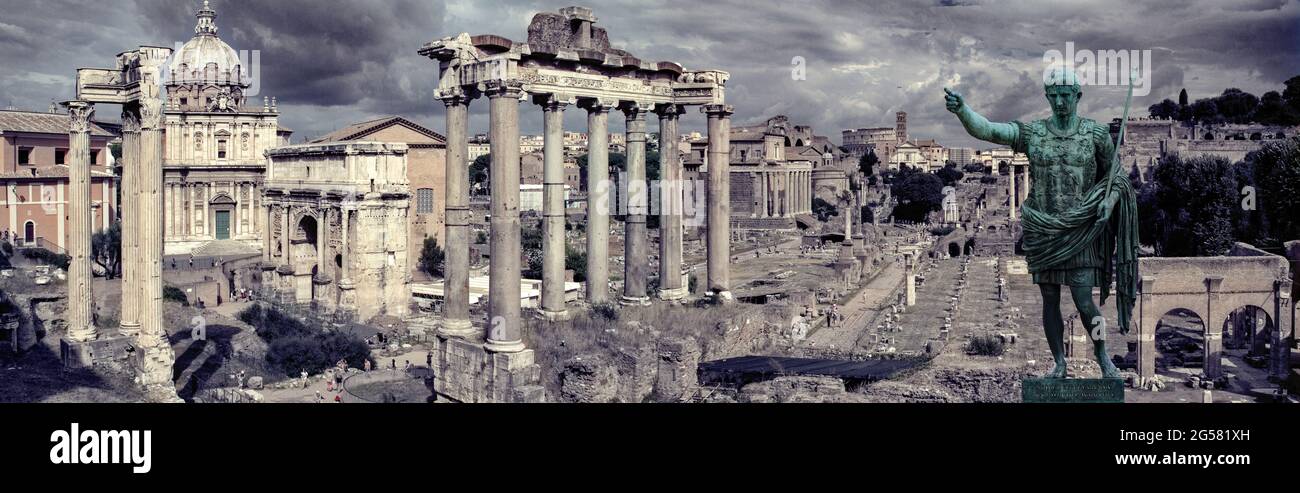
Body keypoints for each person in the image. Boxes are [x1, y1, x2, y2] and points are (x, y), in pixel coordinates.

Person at [944, 67, 1137, 379]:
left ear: (1078, 96)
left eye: (1066, 95)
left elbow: (1116, 177)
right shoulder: (1034, 134)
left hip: (1081, 230)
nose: (1060, 101)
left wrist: (1110, 200)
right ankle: (1059, 363)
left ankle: (1103, 359)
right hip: (1043, 228)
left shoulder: (1096, 134)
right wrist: (963, 111)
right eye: (1054, 95)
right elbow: (989, 131)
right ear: (1048, 96)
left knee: (1085, 302)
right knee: (1049, 299)